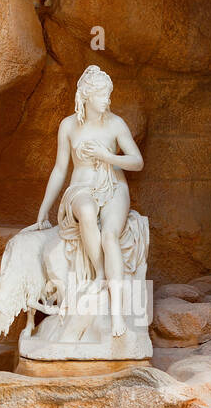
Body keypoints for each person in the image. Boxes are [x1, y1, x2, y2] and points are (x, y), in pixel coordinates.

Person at [34, 66, 144, 336]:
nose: (108, 99)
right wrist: (43, 209)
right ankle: (99, 274)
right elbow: (60, 169)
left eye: (108, 94)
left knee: (109, 236)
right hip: (81, 187)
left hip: (114, 186)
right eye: (103, 95)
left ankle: (117, 314)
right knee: (85, 209)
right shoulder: (68, 126)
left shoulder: (116, 123)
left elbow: (137, 162)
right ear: (86, 96)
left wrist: (106, 156)